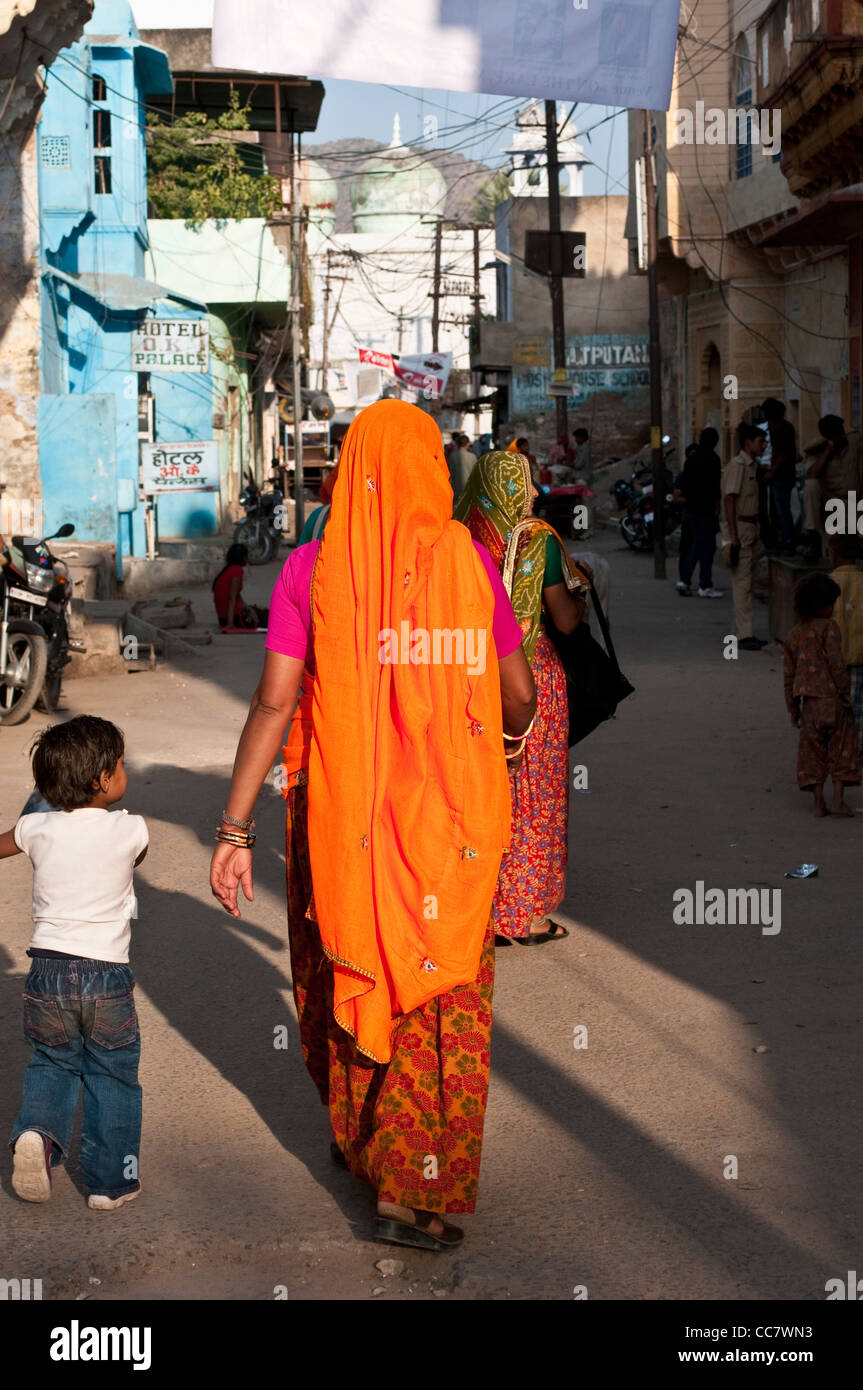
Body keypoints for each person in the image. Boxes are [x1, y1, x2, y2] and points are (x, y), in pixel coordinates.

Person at [210, 400, 536, 1251]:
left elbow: (275, 702)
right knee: (439, 990)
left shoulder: (308, 570)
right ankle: (413, 1193)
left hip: (340, 812)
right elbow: (519, 695)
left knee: (349, 965)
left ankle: (364, 1145)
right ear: (436, 471)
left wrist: (234, 830)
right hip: (446, 820)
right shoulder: (471, 565)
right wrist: (496, 749)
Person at [0, 716, 148, 1208]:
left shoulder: (34, 827)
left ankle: (38, 1136)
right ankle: (110, 1184)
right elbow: (135, 858)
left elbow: (5, 843)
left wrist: (39, 812)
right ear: (103, 780)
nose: (125, 773)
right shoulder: (131, 829)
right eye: (121, 766)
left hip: (46, 970)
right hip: (106, 974)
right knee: (112, 1074)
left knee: (51, 1062)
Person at [455, 449, 590, 945]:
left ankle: (476, 908)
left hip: (467, 675)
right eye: (527, 483)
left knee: (480, 792)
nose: (534, 493)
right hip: (529, 678)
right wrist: (582, 591)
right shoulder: (538, 542)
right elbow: (566, 622)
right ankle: (522, 915)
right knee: (534, 792)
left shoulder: (458, 535)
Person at [783, 573, 860, 816]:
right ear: (824, 604)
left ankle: (818, 804)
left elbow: (788, 676)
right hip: (833, 701)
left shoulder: (794, 634)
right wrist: (846, 692)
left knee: (812, 751)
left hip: (809, 705)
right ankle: (838, 799)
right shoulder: (830, 628)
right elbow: (836, 664)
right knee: (841, 749)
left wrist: (793, 710)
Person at [723, 423, 767, 650]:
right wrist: (733, 535)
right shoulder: (738, 465)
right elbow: (729, 499)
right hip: (740, 528)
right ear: (748, 444)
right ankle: (744, 634)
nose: (764, 445)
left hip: (749, 527)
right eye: (761, 441)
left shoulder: (752, 466)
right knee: (743, 583)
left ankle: (739, 630)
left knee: (744, 581)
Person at [802, 415, 863, 561]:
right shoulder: (818, 449)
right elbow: (812, 474)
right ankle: (812, 534)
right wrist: (827, 453)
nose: (842, 437)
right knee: (810, 485)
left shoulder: (855, 441)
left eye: (842, 432)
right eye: (837, 435)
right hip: (831, 502)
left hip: (854, 501)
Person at [677, 427, 722, 597]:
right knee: (706, 547)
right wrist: (717, 505)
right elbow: (715, 485)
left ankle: (687, 580)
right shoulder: (713, 459)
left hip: (692, 509)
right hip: (706, 509)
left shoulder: (691, 460)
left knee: (698, 545)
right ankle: (703, 584)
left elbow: (686, 485)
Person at [828, 534, 863, 757]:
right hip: (860, 657)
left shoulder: (828, 582)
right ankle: (857, 748)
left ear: (836, 555)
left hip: (834, 659)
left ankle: (837, 748)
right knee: (858, 707)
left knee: (835, 705)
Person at [762, 398, 798, 556]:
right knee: (778, 511)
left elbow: (782, 454)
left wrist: (772, 471)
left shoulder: (779, 427)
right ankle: (780, 543)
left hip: (781, 476)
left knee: (782, 510)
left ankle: (787, 544)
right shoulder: (785, 426)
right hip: (786, 475)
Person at [212, 543, 268, 629]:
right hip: (233, 617)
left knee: (264, 612)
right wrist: (230, 623)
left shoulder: (228, 570)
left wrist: (249, 609)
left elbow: (236, 596)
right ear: (243, 558)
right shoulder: (236, 571)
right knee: (270, 617)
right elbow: (232, 599)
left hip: (225, 617)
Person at [447, 433, 476, 504]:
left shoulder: (453, 456)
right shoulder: (472, 456)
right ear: (468, 444)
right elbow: (475, 473)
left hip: (456, 488)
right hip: (469, 487)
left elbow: (451, 473)